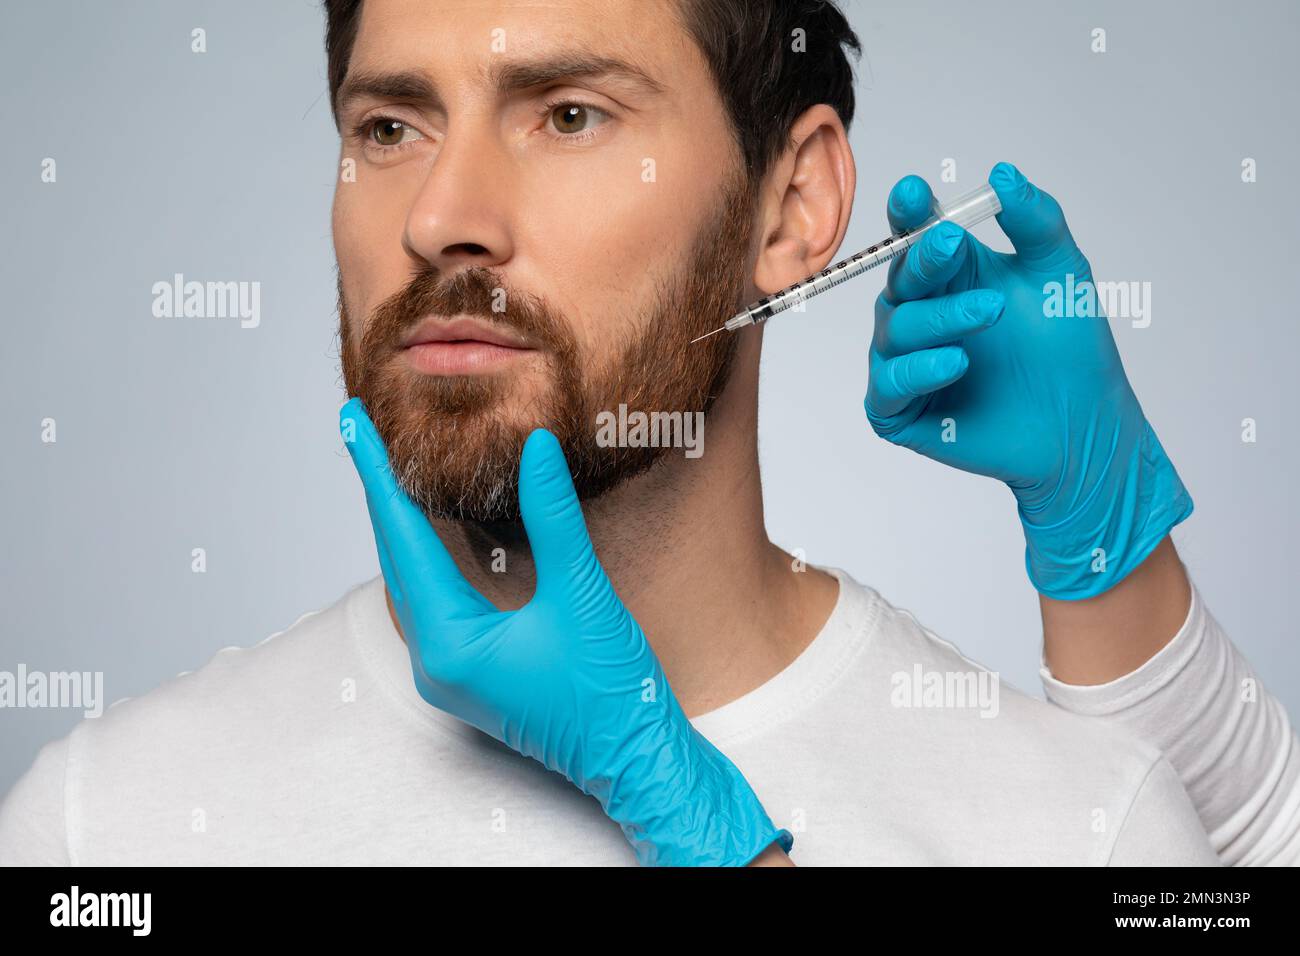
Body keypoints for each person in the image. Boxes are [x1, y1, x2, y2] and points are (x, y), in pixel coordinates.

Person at [1, 0, 1295, 866]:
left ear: (790, 212)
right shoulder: (103, 829)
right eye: (389, 126)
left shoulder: (1080, 834)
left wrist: (700, 827)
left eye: (568, 115)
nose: (442, 216)